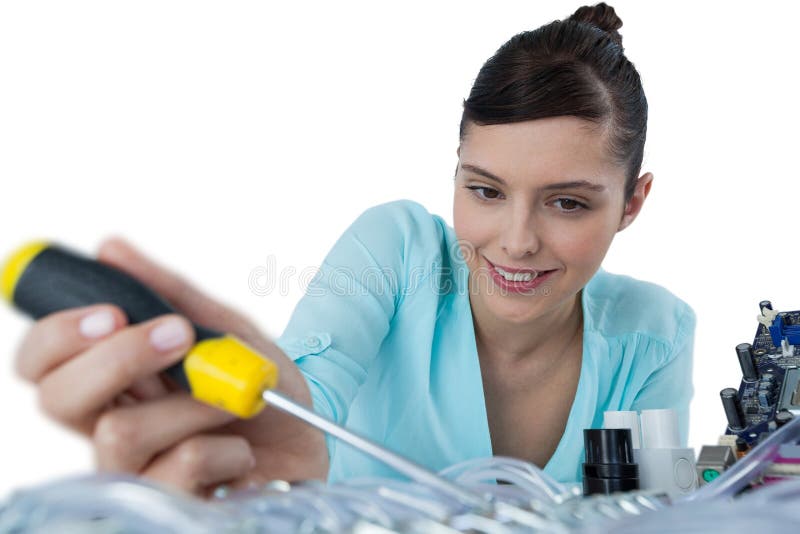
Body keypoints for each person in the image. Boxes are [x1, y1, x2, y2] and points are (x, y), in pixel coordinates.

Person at [11, 2, 695, 497]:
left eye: (567, 202)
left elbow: (664, 514)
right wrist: (261, 428)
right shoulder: (396, 250)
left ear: (632, 202)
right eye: (486, 191)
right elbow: (305, 401)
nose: (516, 241)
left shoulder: (655, 334)